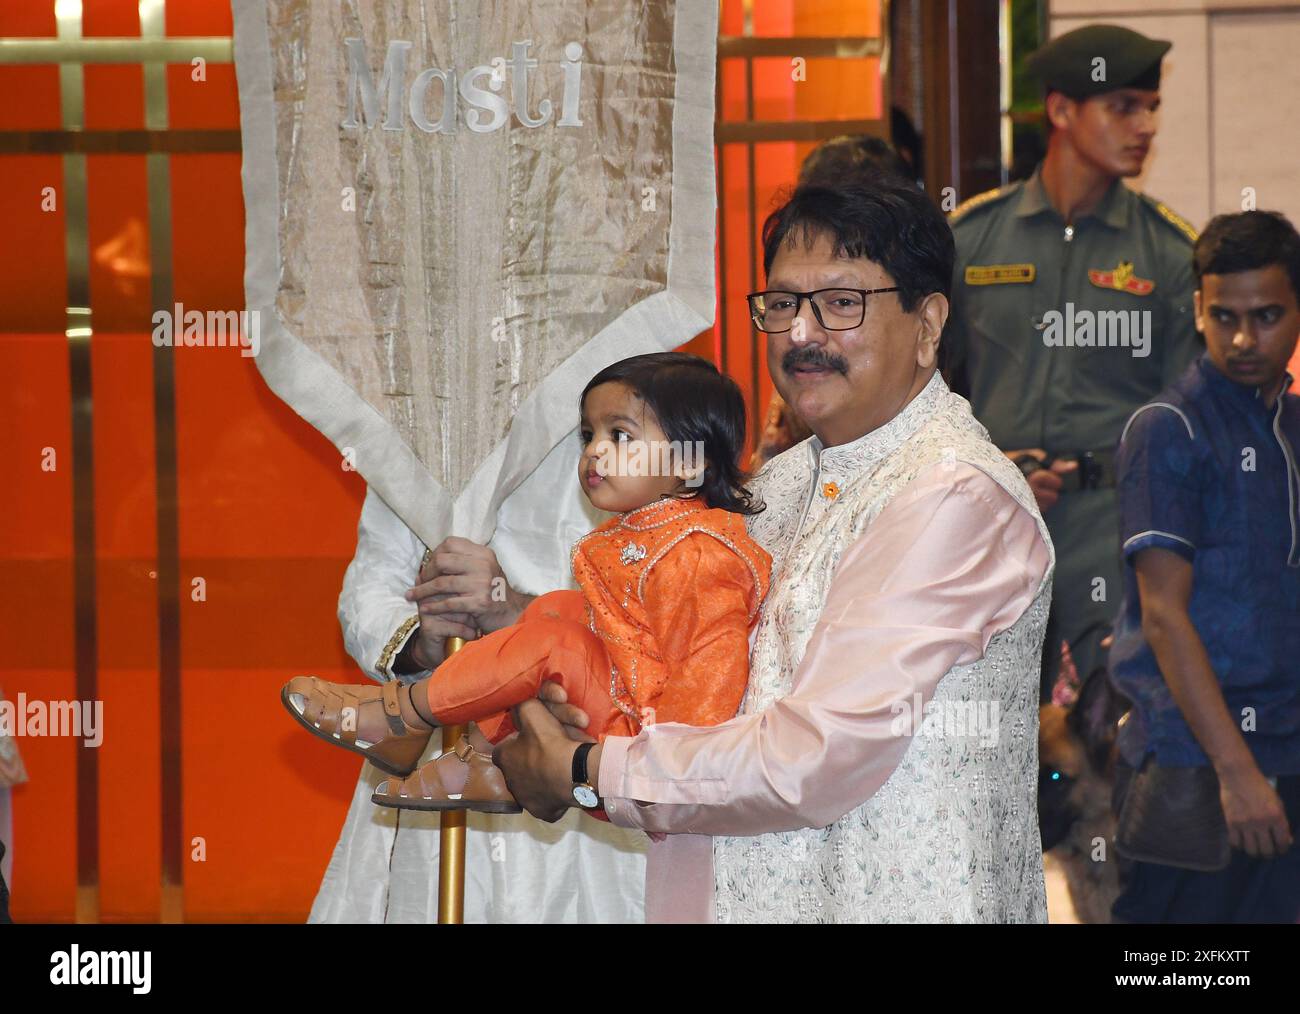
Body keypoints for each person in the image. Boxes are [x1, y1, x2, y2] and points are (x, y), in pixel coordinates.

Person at [462, 179, 1055, 923]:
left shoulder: (952, 497)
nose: (802, 336)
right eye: (782, 305)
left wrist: (584, 770)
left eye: (842, 303)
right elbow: (676, 669)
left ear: (928, 323)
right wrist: (545, 662)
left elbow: (814, 759)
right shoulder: (776, 489)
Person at [284, 353, 770, 814]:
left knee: (550, 636)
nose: (595, 452)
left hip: (649, 751)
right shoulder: (643, 536)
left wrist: (663, 770)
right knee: (553, 610)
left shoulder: (699, 552)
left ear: (689, 463)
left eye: (620, 436)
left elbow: (708, 680)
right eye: (588, 435)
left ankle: (403, 717)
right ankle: (484, 761)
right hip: (620, 724)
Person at [945, 23, 1202, 699]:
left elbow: (1188, 421)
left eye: (1151, 107)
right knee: (981, 726)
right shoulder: (971, 240)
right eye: (1123, 106)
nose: (1144, 125)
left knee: (1110, 739)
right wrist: (990, 470)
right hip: (986, 526)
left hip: (1112, 530)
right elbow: (922, 394)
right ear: (1062, 111)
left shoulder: (1170, 255)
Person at [1108, 210, 1300, 922]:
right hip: (1194, 762)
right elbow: (1163, 616)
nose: (1245, 338)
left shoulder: (1290, 427)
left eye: (1268, 315)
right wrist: (1237, 772)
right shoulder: (1168, 428)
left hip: (1286, 747)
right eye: (1224, 316)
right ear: (1197, 311)